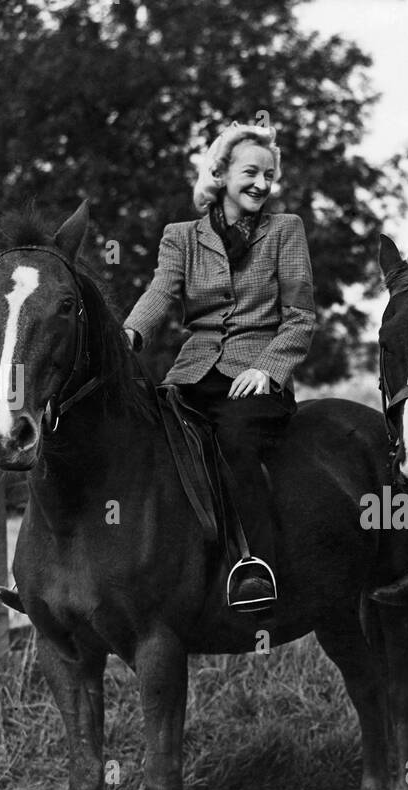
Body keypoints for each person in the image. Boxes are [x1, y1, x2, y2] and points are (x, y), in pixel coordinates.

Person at [123, 122, 315, 611]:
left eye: (268, 175)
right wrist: (128, 333)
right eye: (251, 172)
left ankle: (257, 565)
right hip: (192, 373)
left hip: (256, 377)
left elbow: (299, 317)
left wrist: (269, 368)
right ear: (222, 173)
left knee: (233, 439)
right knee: (137, 436)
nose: (261, 183)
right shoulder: (180, 237)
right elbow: (161, 292)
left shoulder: (285, 230)